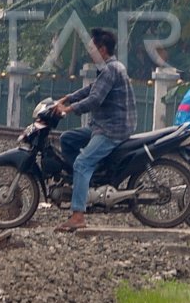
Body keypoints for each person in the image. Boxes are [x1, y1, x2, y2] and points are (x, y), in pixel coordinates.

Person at [53, 28, 136, 232]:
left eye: (92, 48)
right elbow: (92, 89)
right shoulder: (110, 68)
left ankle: (78, 215)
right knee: (67, 139)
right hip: (104, 125)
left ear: (102, 49)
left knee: (81, 163)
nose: (89, 52)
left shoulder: (110, 70)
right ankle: (87, 183)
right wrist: (69, 97)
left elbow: (95, 99)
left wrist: (69, 109)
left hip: (112, 129)